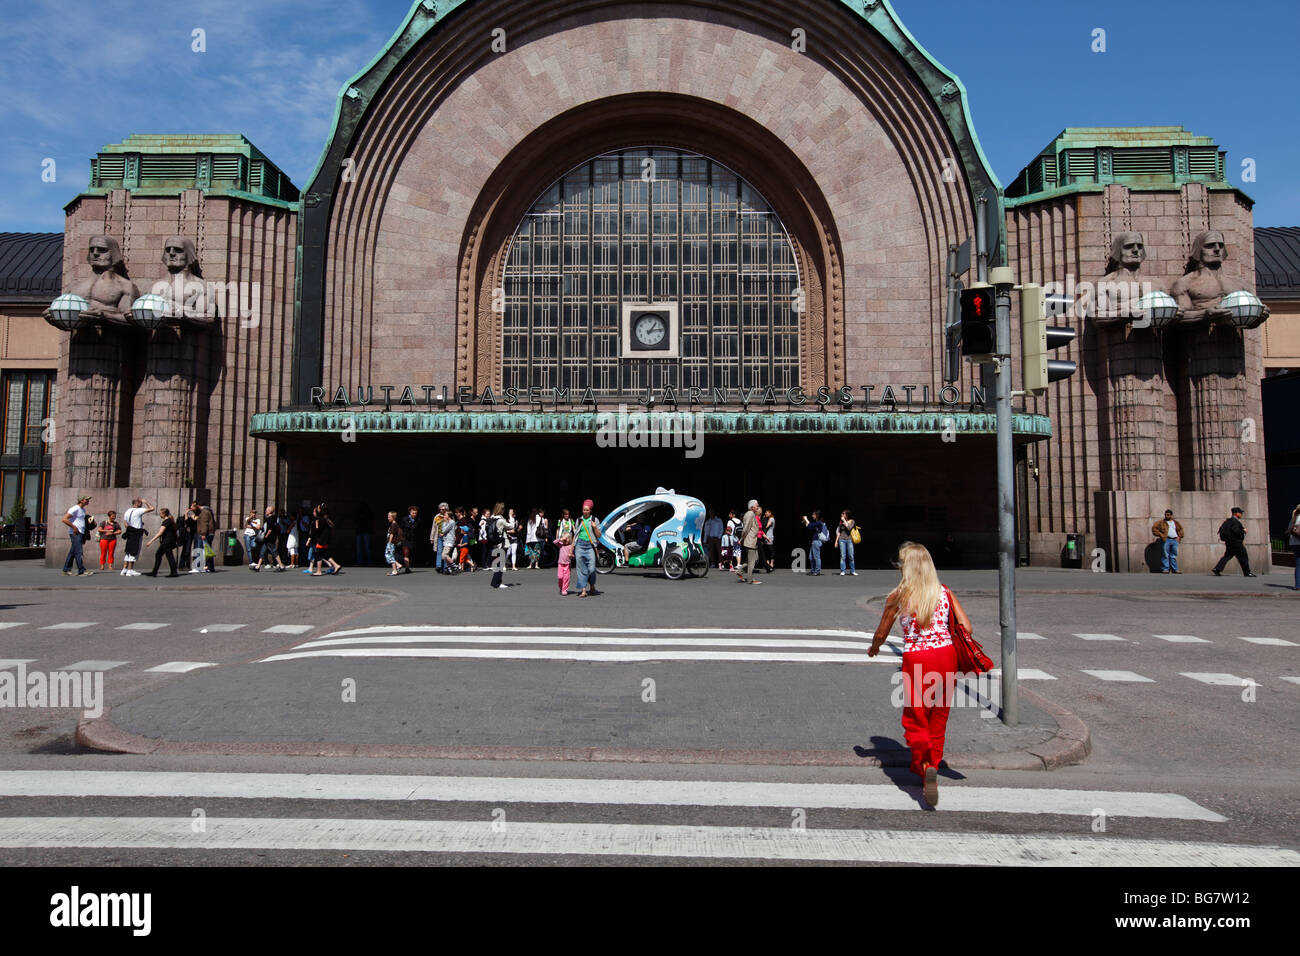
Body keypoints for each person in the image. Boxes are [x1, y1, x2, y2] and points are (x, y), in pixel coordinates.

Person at [867, 542, 972, 808]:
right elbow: (967, 627)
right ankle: (931, 765)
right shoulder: (944, 592)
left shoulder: (899, 595)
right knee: (939, 716)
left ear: (907, 567)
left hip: (917, 659)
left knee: (916, 716)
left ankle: (925, 765)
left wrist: (874, 648)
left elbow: (881, 632)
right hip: (946, 657)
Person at [1212, 507, 1254, 577]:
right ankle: (1247, 573)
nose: (1241, 514)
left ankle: (1217, 569)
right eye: (1240, 513)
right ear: (1236, 513)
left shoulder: (1227, 521)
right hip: (1236, 543)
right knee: (1243, 557)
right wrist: (1243, 531)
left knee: (1227, 556)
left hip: (1229, 543)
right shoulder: (1235, 522)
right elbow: (1236, 531)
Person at [574, 499, 603, 598]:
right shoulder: (579, 520)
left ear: (590, 510)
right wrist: (572, 546)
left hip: (590, 546)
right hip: (579, 545)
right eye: (584, 510)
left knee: (591, 569)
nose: (585, 511)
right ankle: (583, 590)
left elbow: (599, 535)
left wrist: (595, 527)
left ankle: (592, 585)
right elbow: (575, 535)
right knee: (581, 568)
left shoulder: (595, 520)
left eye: (587, 510)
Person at [61, 495, 94, 576]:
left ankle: (66, 570)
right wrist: (74, 527)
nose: (88, 501)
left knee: (73, 552)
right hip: (75, 533)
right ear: (81, 500)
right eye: (86, 499)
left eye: (88, 500)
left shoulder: (83, 509)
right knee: (79, 552)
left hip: (80, 532)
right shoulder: (75, 508)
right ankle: (81, 570)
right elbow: (64, 519)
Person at [121, 497, 153, 577]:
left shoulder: (127, 511)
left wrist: (131, 528)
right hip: (136, 533)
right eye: (140, 502)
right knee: (134, 550)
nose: (141, 503)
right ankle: (130, 570)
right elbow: (152, 508)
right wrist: (146, 502)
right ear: (137, 503)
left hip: (130, 532)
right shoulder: (138, 510)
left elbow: (125, 523)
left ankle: (124, 569)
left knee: (128, 551)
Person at [145, 507, 180, 578]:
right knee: (162, 555)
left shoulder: (166, 521)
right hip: (169, 541)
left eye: (160, 513)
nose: (160, 514)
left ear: (164, 514)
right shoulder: (170, 521)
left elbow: (160, 533)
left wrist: (151, 541)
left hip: (167, 542)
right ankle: (156, 572)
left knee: (165, 556)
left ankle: (173, 572)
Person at [734, 499, 762, 584]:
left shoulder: (751, 514)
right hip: (750, 540)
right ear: (752, 507)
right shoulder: (750, 514)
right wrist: (741, 539)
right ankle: (750, 579)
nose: (758, 506)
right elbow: (746, 528)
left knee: (751, 559)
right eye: (757, 505)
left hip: (751, 540)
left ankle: (739, 571)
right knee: (751, 562)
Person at [251, 506, 286, 572]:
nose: (265, 511)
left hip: (269, 538)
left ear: (270, 511)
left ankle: (281, 566)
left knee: (274, 552)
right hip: (270, 538)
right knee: (262, 552)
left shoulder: (270, 519)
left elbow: (270, 529)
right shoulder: (274, 518)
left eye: (267, 510)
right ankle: (257, 567)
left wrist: (266, 536)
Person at [1151, 509, 1185, 574]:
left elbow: (1180, 530)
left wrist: (1179, 537)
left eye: (1168, 515)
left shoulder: (1175, 523)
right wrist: (1161, 534)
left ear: (1171, 515)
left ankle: (1175, 569)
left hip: (1174, 540)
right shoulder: (1161, 522)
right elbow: (1154, 529)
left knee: (1173, 555)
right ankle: (1165, 569)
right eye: (1166, 515)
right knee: (1165, 555)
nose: (1167, 516)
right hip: (1166, 540)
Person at [802, 510, 827, 576]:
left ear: (817, 515)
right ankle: (813, 570)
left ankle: (817, 571)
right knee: (811, 557)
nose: (812, 515)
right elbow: (809, 527)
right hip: (814, 541)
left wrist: (806, 519)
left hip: (817, 541)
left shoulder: (819, 522)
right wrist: (805, 521)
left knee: (816, 557)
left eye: (813, 514)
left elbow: (810, 525)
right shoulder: (816, 522)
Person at [431, 502, 454, 574]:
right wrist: (431, 537)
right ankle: (438, 566)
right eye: (440, 509)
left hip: (447, 537)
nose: (441, 510)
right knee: (439, 551)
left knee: (445, 552)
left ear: (446, 509)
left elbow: (453, 527)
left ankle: (445, 567)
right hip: (439, 536)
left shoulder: (449, 516)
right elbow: (434, 527)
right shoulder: (437, 516)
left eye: (443, 509)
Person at [196, 500, 217, 572]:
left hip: (205, 534)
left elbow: (204, 523)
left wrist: (203, 533)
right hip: (210, 533)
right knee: (208, 550)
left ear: (198, 505)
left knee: (202, 550)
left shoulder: (204, 512)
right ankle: (210, 567)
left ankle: (199, 567)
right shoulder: (209, 511)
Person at [836, 510, 858, 576]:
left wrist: (844, 521)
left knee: (851, 556)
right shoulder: (840, 522)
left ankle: (852, 571)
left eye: (844, 514)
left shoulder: (852, 521)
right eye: (842, 513)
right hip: (841, 540)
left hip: (849, 540)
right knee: (843, 556)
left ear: (847, 515)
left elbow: (849, 528)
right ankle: (843, 571)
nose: (842, 515)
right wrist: (836, 541)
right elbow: (839, 532)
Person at [354, 500, 375, 567]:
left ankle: (362, 562)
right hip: (364, 531)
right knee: (366, 548)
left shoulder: (364, 512)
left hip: (362, 531)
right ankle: (368, 562)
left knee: (362, 548)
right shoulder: (366, 512)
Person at [385, 511, 405, 575]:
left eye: (389, 517)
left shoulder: (393, 524)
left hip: (391, 543)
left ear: (393, 517)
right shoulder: (394, 524)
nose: (388, 518)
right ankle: (397, 567)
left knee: (389, 556)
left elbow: (392, 534)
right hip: (392, 543)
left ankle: (395, 569)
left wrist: (389, 543)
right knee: (390, 556)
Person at [1287, 504, 1300, 591]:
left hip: (1294, 544)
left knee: (1298, 565)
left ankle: (1298, 585)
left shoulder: (1293, 518)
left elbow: (1288, 531)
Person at [557, 531, 574, 596]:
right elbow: (554, 542)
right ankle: (561, 587)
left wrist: (571, 556)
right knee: (560, 577)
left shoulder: (570, 546)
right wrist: (561, 539)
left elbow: (573, 555)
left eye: (567, 538)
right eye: (565, 539)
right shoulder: (560, 545)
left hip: (567, 564)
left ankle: (564, 590)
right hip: (560, 564)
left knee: (566, 578)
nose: (566, 540)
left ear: (570, 539)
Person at [762, 508, 776, 573]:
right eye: (765, 512)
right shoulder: (768, 519)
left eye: (767, 512)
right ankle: (767, 563)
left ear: (770, 513)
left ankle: (771, 563)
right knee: (766, 550)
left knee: (771, 550)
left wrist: (764, 519)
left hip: (769, 537)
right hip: (765, 536)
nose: (766, 513)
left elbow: (767, 526)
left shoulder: (771, 519)